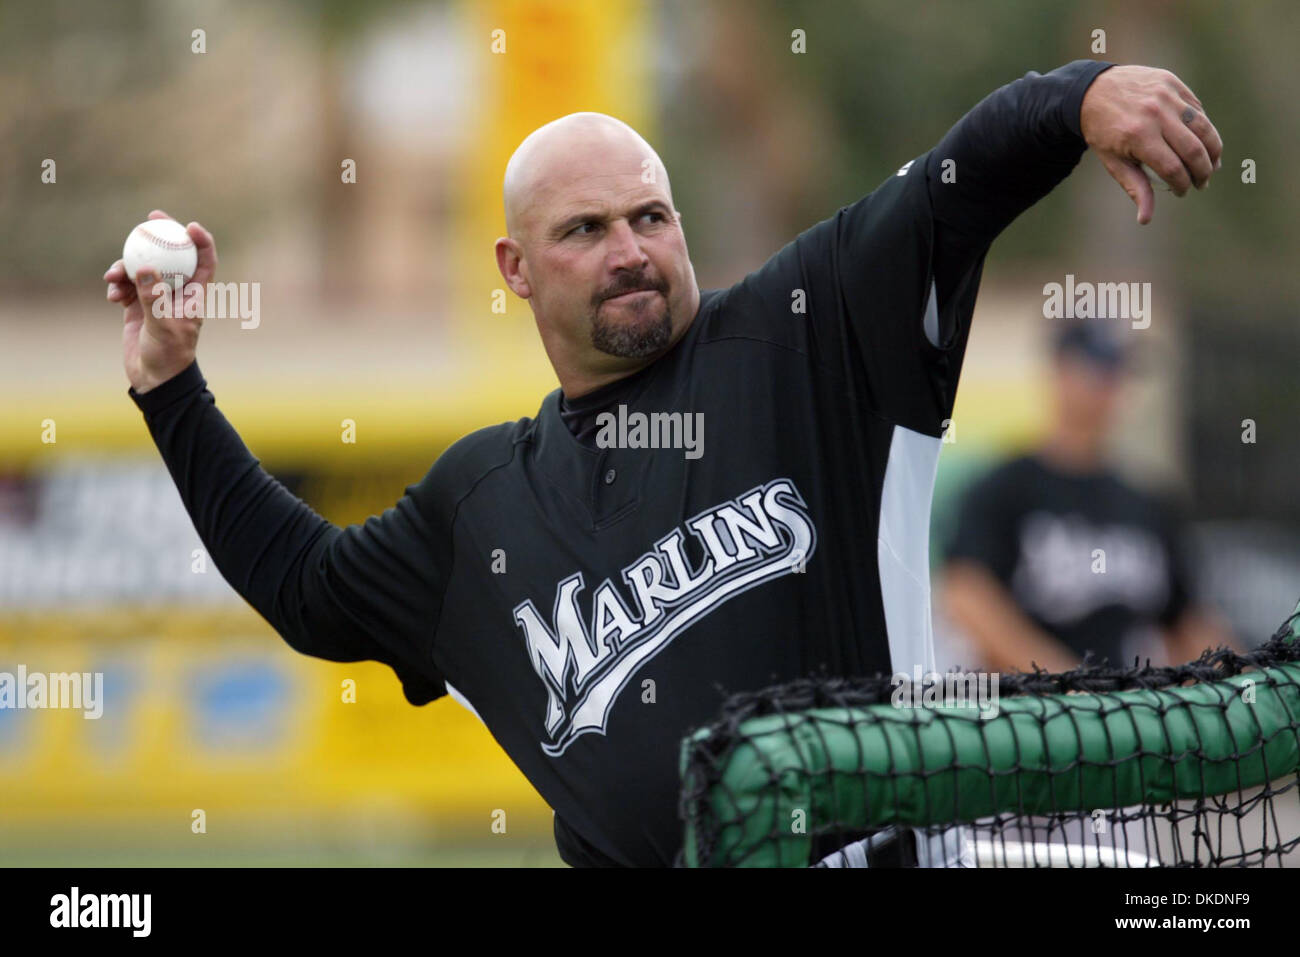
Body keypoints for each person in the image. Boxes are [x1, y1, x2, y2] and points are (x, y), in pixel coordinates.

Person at [102, 60, 1223, 867]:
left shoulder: (802, 332)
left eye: (651, 215)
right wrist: (169, 387)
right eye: (584, 230)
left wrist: (1077, 101)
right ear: (515, 267)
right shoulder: (477, 502)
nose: (630, 250)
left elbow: (953, 182)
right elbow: (308, 592)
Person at [941, 320, 1234, 672]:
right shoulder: (1004, 489)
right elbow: (966, 596)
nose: (1109, 385)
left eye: (1118, 371)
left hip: (1124, 712)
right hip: (1027, 714)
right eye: (1098, 367)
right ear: (1060, 370)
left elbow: (1187, 620)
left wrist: (1248, 679)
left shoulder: (1149, 503)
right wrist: (1063, 681)